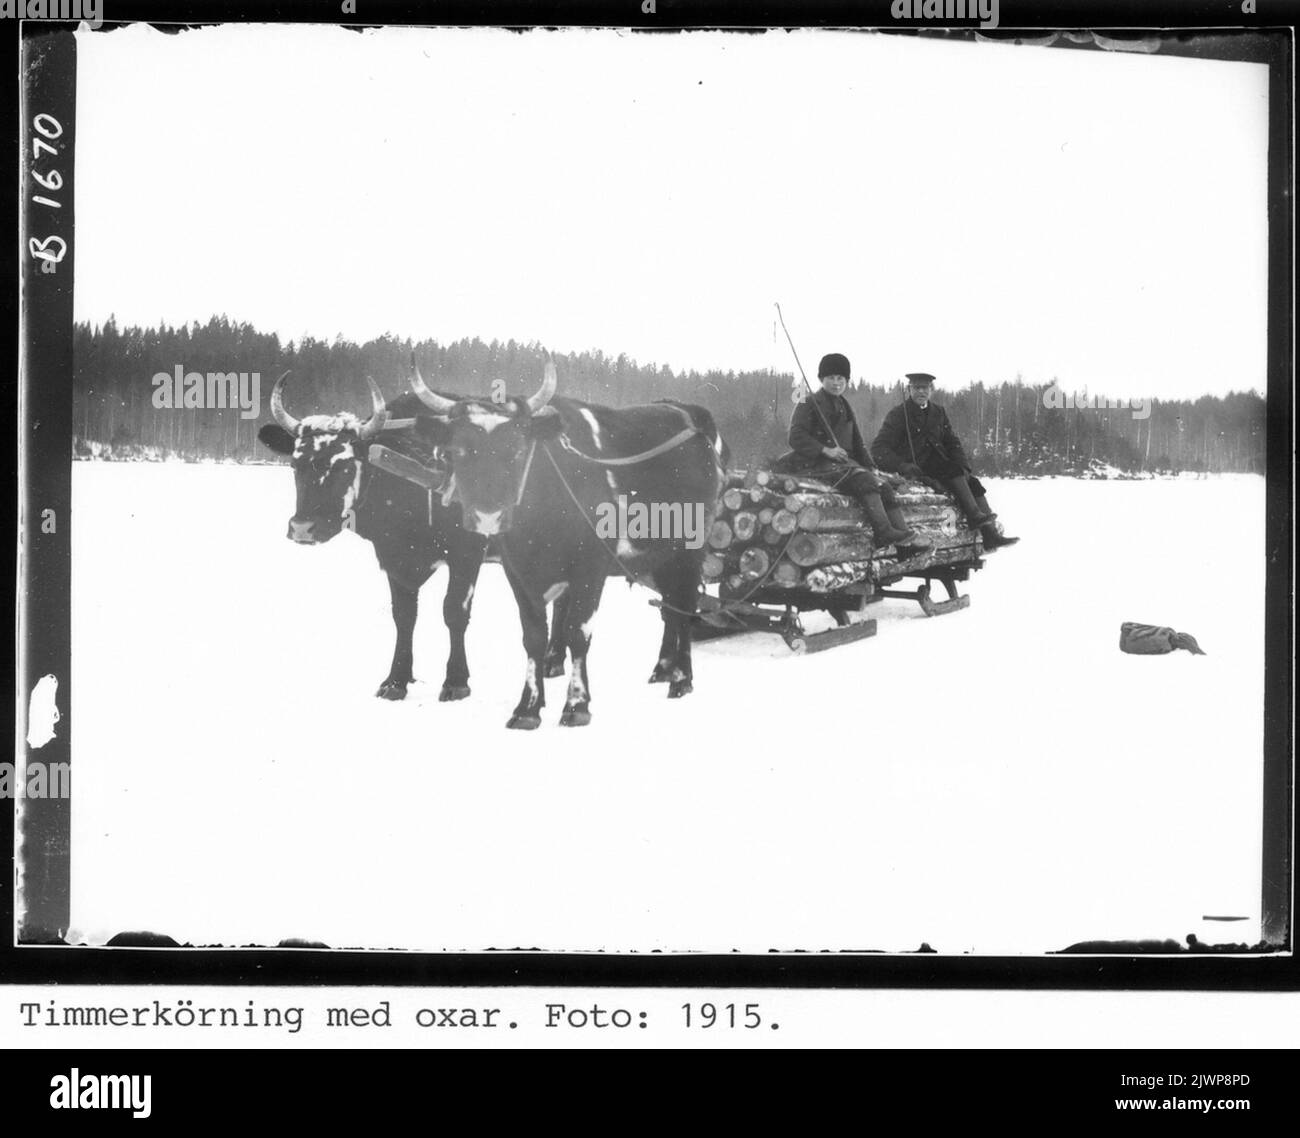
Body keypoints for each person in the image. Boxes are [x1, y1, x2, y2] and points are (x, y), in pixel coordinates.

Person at [785, 353, 931, 555]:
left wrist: (871, 467)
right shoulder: (807, 403)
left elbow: (857, 442)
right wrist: (825, 450)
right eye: (831, 378)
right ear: (821, 379)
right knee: (866, 481)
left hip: (842, 464)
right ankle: (884, 532)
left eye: (841, 379)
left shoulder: (844, 405)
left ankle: (904, 540)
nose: (836, 383)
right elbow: (795, 436)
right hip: (813, 464)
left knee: (884, 486)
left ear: (846, 381)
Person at [870, 372, 1019, 550]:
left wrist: (963, 466)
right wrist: (903, 465)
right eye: (916, 388)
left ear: (931, 390)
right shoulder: (898, 414)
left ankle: (990, 534)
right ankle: (974, 515)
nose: (920, 392)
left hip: (941, 464)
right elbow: (879, 449)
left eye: (924, 388)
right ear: (909, 389)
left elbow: (952, 442)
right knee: (951, 469)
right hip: (918, 467)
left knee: (974, 482)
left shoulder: (938, 412)